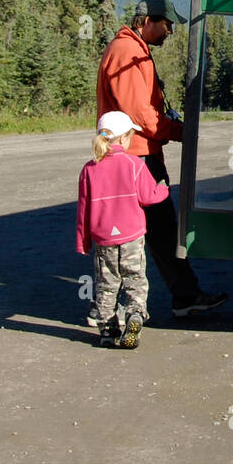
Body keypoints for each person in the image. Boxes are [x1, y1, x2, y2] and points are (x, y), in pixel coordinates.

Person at [93, 0, 227, 323]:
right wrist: (179, 131)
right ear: (147, 21)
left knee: (157, 230)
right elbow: (138, 113)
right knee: (145, 232)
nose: (170, 31)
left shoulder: (137, 50)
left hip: (141, 154)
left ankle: (183, 296)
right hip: (135, 158)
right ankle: (118, 309)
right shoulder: (127, 52)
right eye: (167, 25)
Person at [76, 111, 167, 348]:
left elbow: (83, 210)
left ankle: (107, 330)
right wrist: (164, 189)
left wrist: (82, 241)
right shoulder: (134, 164)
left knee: (107, 283)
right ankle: (135, 314)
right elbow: (148, 197)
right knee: (134, 278)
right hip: (132, 236)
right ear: (124, 139)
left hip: (103, 238)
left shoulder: (89, 169)